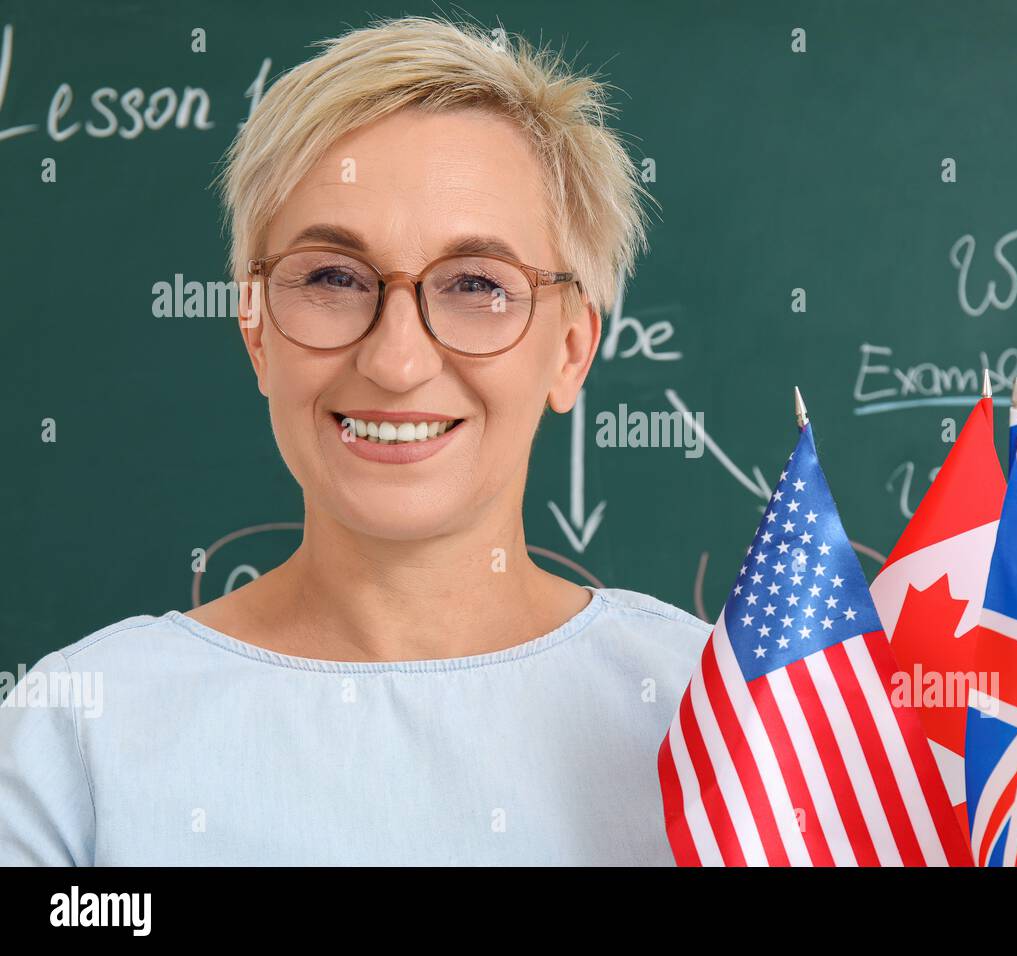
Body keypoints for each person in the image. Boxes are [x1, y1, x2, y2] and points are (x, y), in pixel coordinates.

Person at [0, 15, 709, 865]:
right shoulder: (79, 733)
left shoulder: (730, 714)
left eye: (477, 284)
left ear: (569, 350)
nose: (398, 360)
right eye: (333, 279)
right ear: (256, 332)